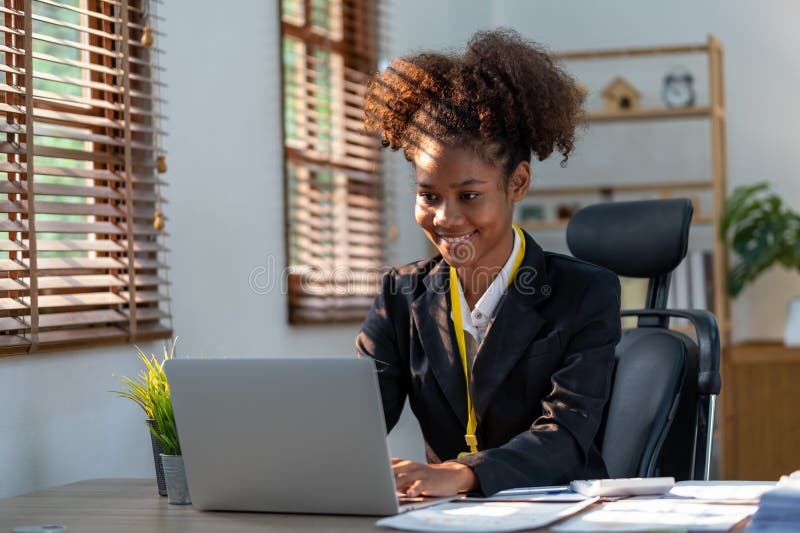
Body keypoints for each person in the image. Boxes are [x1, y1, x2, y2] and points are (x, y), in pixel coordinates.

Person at [356, 29, 622, 498]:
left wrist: (463, 473)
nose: (445, 217)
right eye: (429, 196)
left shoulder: (585, 293)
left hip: (560, 509)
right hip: (446, 517)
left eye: (469, 195)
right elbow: (355, 420)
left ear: (517, 183)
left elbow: (565, 435)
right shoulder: (400, 296)